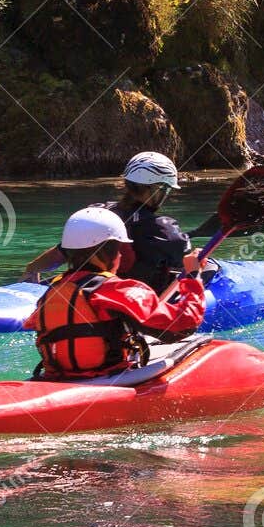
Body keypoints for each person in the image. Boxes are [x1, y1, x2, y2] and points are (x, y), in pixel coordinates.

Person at [29, 206, 206, 380]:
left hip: (57, 380)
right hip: (110, 379)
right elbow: (182, 326)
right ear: (106, 251)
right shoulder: (116, 289)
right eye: (120, 250)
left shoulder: (51, 292)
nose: (121, 256)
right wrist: (193, 276)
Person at [21, 151, 209, 293]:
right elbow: (189, 267)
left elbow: (62, 253)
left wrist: (31, 270)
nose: (166, 195)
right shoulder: (165, 229)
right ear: (155, 189)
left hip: (84, 293)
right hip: (135, 299)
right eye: (166, 190)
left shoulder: (98, 214)